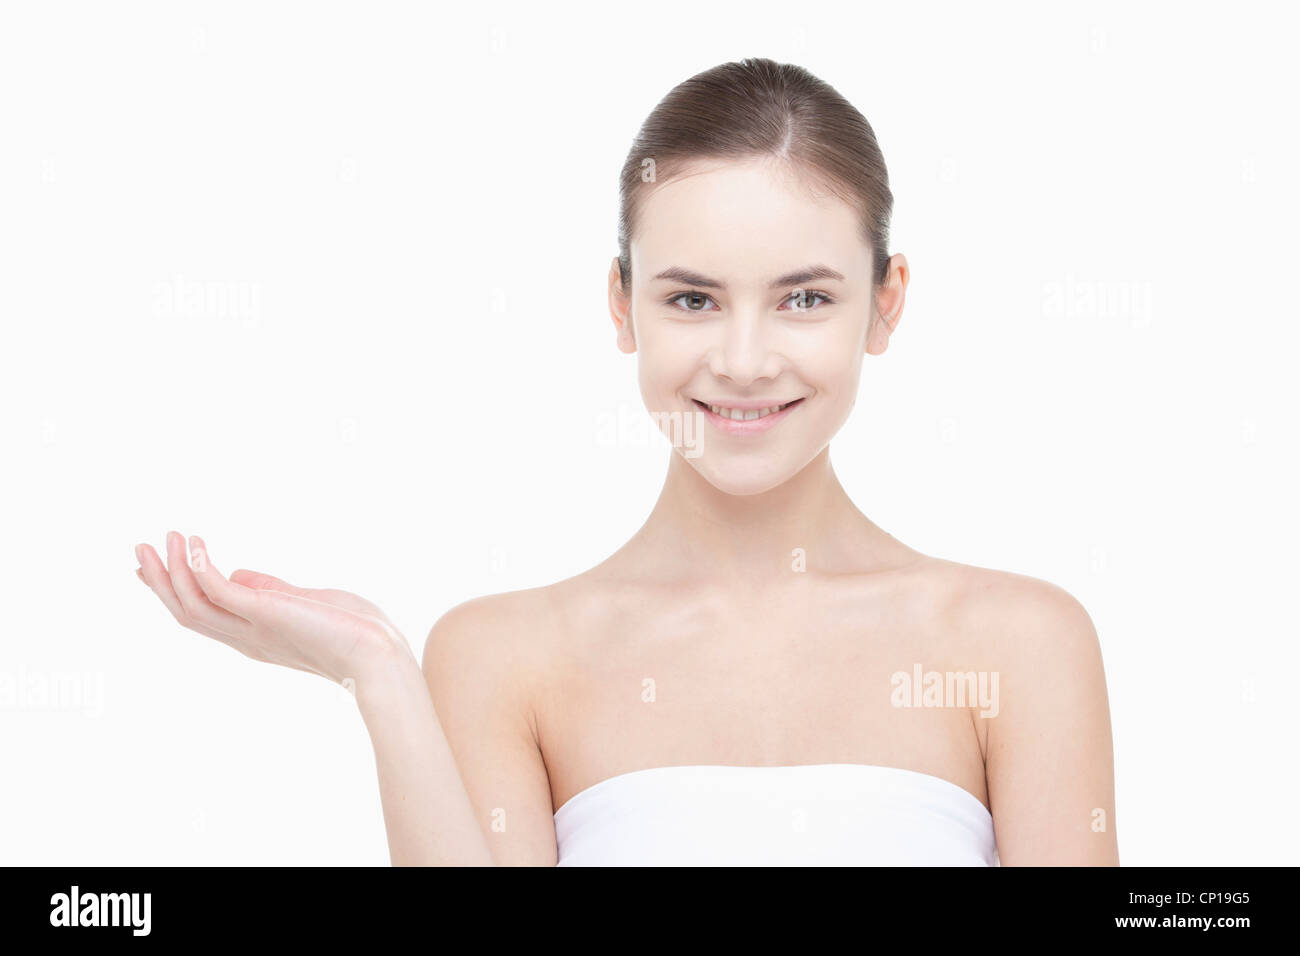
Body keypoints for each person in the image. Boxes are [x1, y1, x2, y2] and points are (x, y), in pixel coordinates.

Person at [133, 57, 1118, 866]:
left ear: (885, 301)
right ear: (621, 303)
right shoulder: (500, 656)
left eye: (803, 297)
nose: (741, 359)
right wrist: (379, 672)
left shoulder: (1020, 645)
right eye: (691, 299)